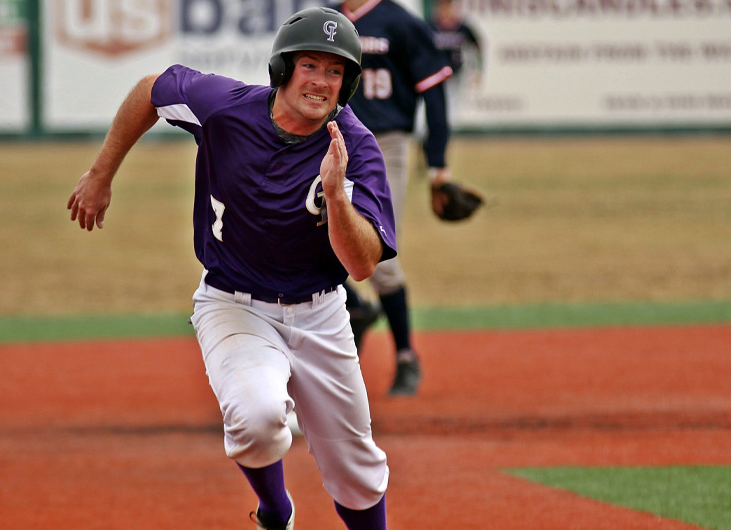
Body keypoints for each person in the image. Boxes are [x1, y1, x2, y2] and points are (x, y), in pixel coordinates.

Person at [66, 7, 396, 530]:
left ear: (348, 84)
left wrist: (337, 196)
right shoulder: (225, 108)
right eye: (310, 65)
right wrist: (101, 173)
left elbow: (362, 265)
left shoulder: (353, 147)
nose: (321, 81)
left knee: (357, 471)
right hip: (233, 303)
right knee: (257, 417)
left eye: (335, 71)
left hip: (321, 314)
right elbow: (151, 90)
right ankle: (275, 510)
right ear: (283, 68)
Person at [338, 0, 482, 396]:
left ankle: (405, 356)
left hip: (385, 146)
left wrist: (438, 168)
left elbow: (434, 95)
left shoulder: (402, 23)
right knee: (303, 236)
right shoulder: (328, 20)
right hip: (331, 142)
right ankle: (356, 308)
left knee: (379, 257)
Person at [430, 0, 484, 125]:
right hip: (435, 74)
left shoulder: (462, 28)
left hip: (455, 73)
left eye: (448, 6)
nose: (446, 10)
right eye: (443, 7)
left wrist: (477, 70)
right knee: (434, 104)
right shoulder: (430, 27)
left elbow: (477, 46)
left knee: (452, 105)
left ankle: (449, 129)